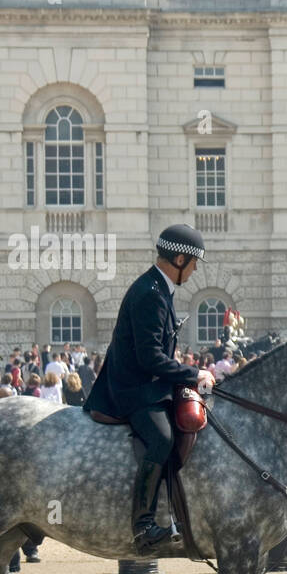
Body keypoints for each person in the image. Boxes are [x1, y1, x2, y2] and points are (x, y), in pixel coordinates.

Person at [83, 223, 215, 554]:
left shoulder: (159, 288)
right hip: (132, 388)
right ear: (181, 259)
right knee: (162, 437)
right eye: (195, 262)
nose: (196, 269)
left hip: (148, 381)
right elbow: (150, 359)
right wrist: (193, 373)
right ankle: (143, 524)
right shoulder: (150, 294)